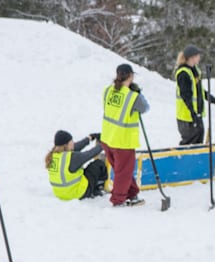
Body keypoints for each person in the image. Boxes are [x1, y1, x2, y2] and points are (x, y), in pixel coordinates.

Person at [101, 63, 149, 207]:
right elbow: (145, 107)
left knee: (122, 170)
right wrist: (138, 93)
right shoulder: (132, 96)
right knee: (123, 172)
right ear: (131, 76)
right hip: (122, 141)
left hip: (108, 138)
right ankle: (118, 200)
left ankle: (132, 193)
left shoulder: (108, 91)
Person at [173, 45, 215, 145]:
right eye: (198, 55)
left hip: (196, 115)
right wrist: (193, 114)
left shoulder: (194, 71)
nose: (199, 58)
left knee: (198, 144)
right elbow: (186, 96)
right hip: (187, 117)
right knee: (189, 144)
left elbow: (201, 92)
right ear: (191, 57)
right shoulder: (183, 73)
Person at [45, 130, 107, 201]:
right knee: (98, 164)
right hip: (77, 193)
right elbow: (90, 154)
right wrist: (104, 143)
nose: (73, 143)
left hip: (60, 193)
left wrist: (89, 138)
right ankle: (98, 188)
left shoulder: (53, 155)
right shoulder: (72, 158)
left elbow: (75, 147)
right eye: (71, 142)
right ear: (66, 145)